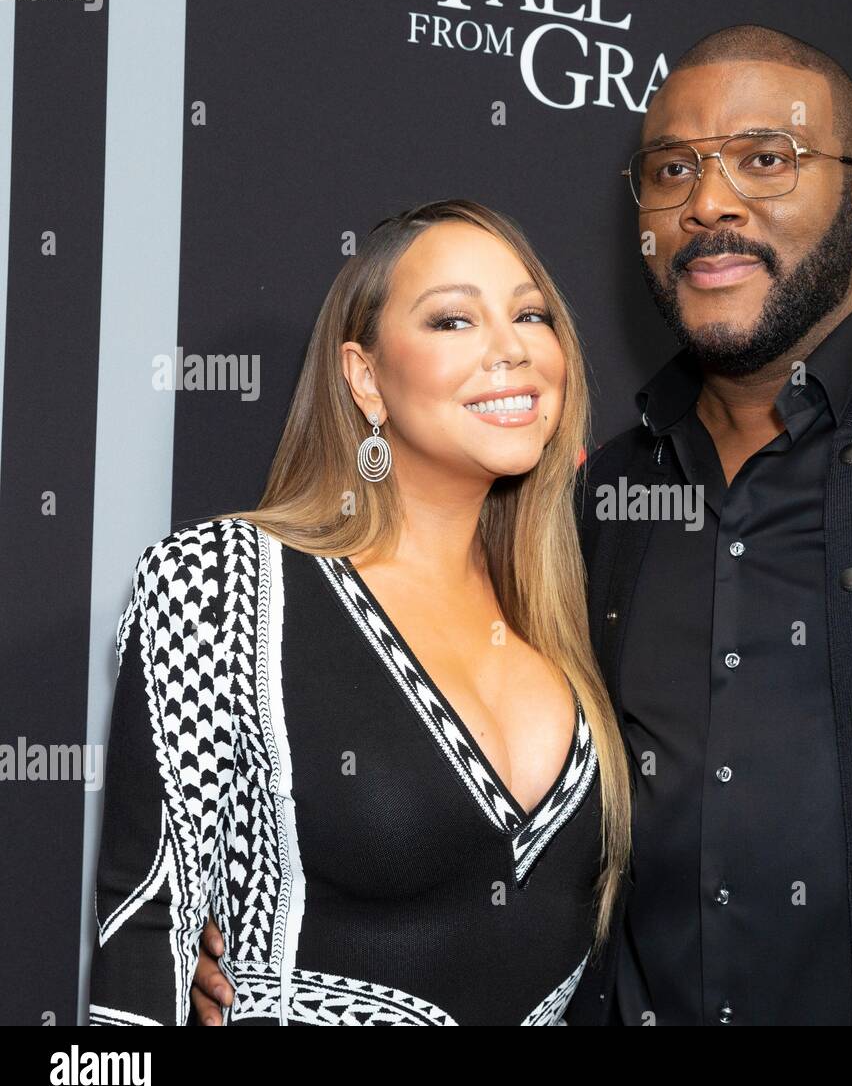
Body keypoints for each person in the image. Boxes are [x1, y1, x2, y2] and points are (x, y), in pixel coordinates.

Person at [194, 23, 852, 1027]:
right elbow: (498, 851)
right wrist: (299, 974)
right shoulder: (585, 506)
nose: (709, 202)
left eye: (767, 159)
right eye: (672, 170)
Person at [88, 199, 631, 1026]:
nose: (513, 347)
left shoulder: (575, 609)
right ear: (365, 377)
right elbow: (141, 949)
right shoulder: (225, 583)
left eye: (532, 314)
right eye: (454, 319)